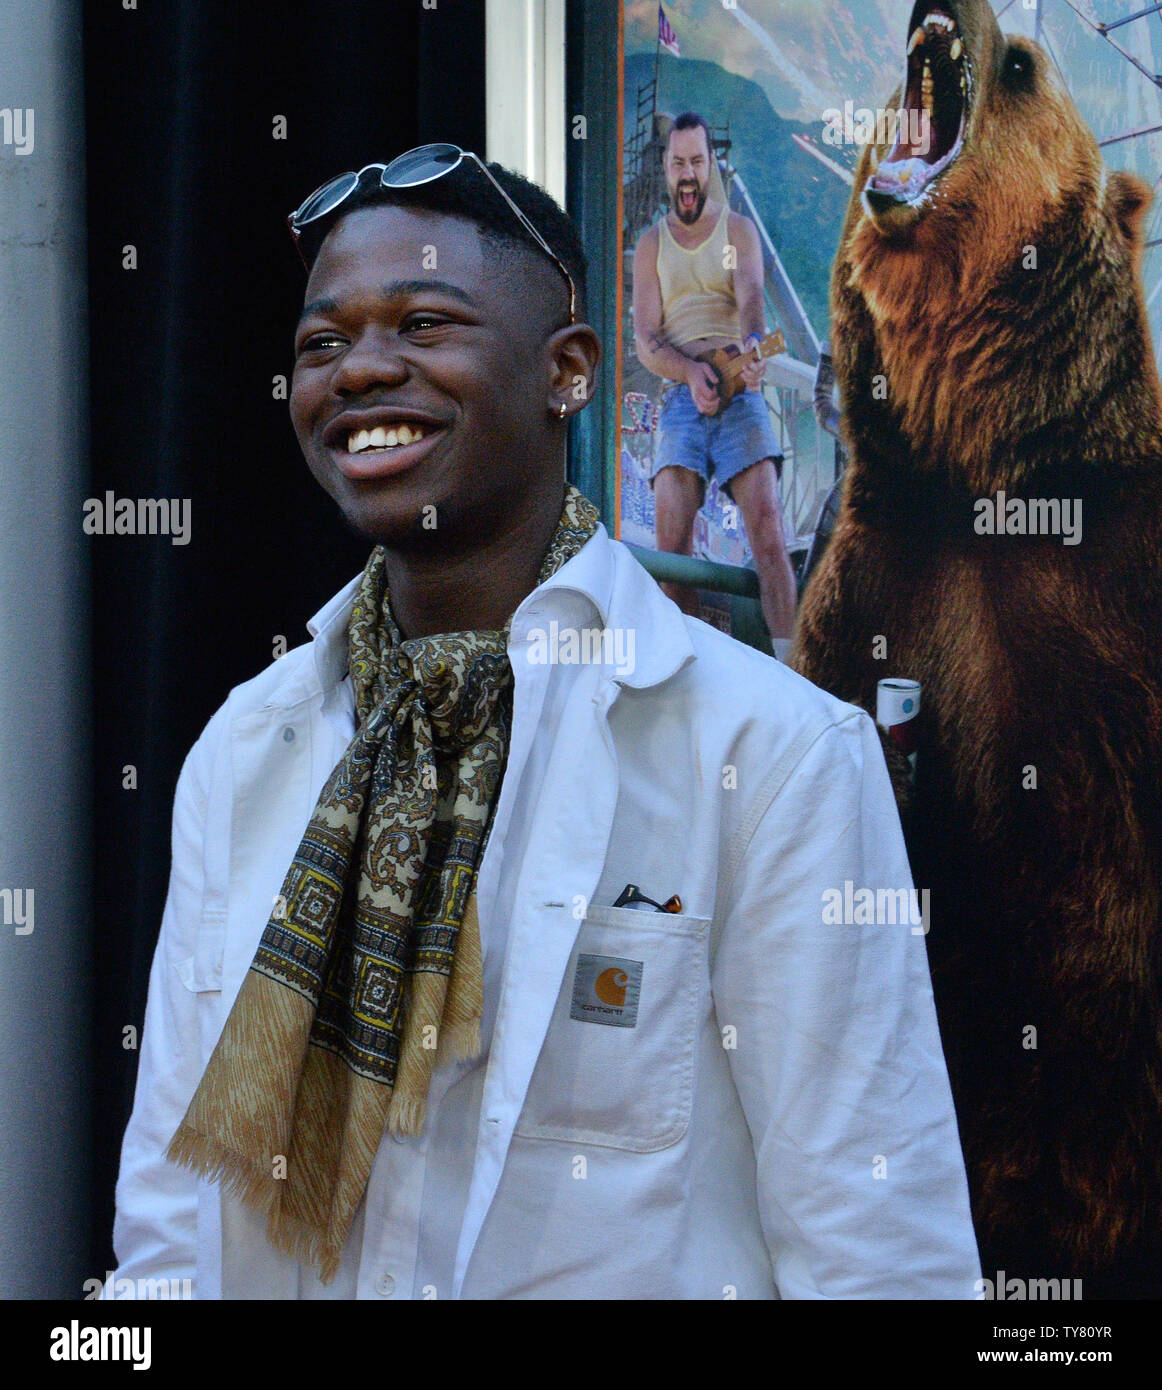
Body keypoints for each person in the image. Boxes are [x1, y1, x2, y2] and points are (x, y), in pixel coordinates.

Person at [105, 146, 980, 1299]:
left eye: (422, 324)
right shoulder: (244, 750)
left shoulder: (771, 759)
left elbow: (881, 1261)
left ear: (567, 371)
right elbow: (173, 1241)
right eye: (325, 343)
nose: (361, 369)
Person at [633, 112, 798, 652]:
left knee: (769, 533)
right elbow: (645, 338)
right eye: (678, 162)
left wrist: (752, 349)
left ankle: (792, 669)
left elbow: (752, 300)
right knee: (671, 551)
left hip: (741, 391)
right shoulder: (653, 245)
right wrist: (689, 372)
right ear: (666, 168)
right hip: (681, 394)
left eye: (697, 162)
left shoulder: (739, 231)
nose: (687, 173)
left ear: (711, 166)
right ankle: (689, 671)